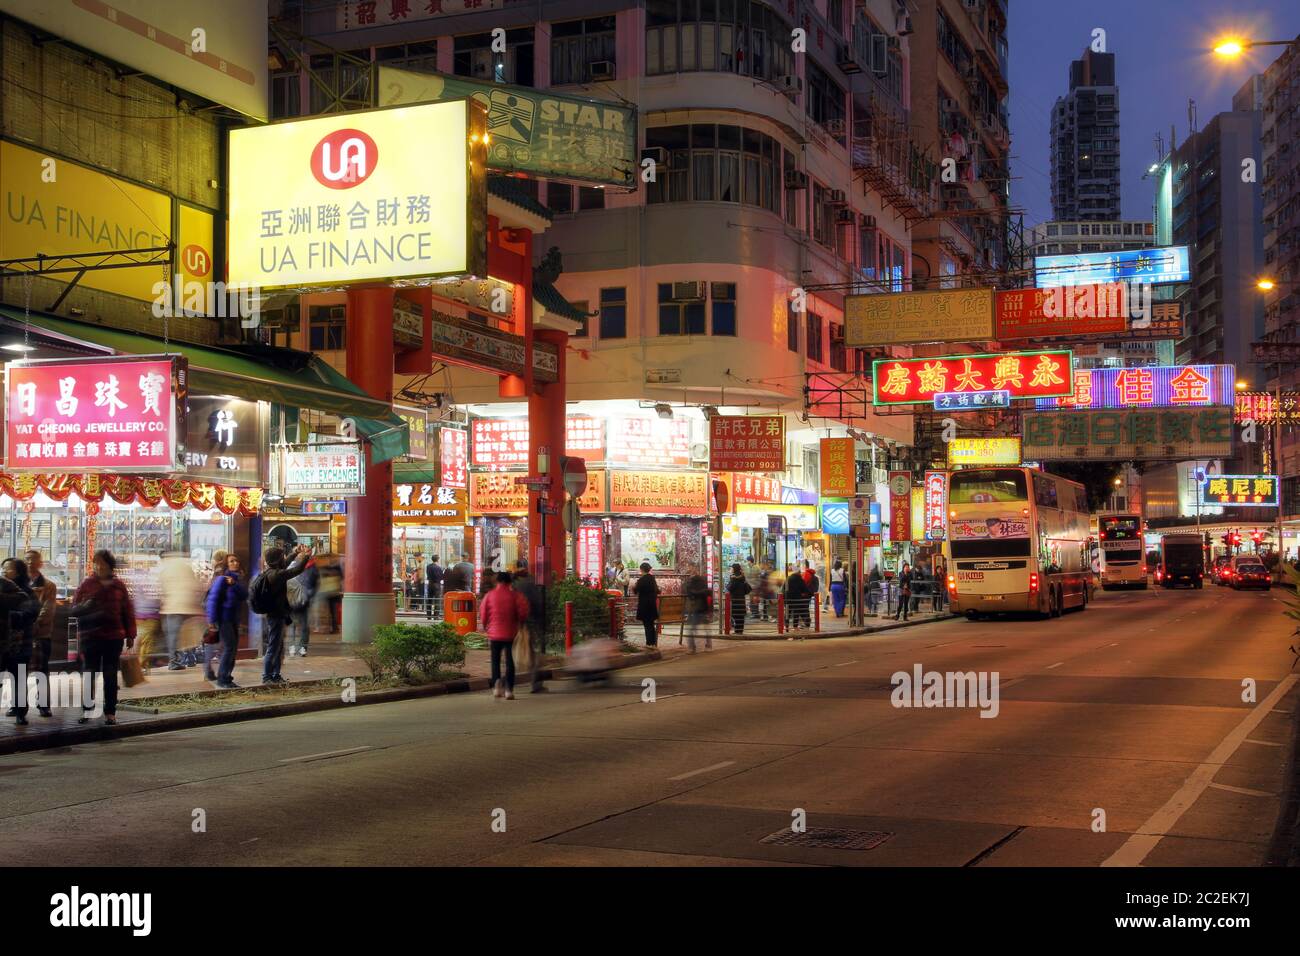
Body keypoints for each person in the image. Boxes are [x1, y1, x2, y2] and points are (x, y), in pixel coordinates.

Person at [72, 550, 136, 726]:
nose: (98, 566)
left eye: (102, 562)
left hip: (113, 637)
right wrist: (87, 605)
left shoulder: (119, 586)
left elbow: (127, 611)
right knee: (89, 674)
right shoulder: (87, 584)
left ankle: (110, 713)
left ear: (110, 565)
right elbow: (75, 607)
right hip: (90, 636)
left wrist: (130, 634)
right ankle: (87, 709)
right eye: (95, 562)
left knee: (110, 675)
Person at [253, 545, 310, 686]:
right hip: (275, 616)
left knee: (278, 647)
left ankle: (275, 675)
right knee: (274, 647)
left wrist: (294, 553)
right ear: (278, 559)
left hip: (277, 614)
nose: (284, 558)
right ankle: (267, 676)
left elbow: (285, 565)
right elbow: (297, 570)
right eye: (282, 556)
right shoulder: (276, 575)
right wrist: (306, 556)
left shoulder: (272, 572)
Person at [1, 558, 39, 724]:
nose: (4, 572)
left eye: (7, 569)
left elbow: (31, 613)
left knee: (19, 678)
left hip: (20, 641)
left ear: (18, 572)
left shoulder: (25, 592)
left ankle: (20, 712)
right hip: (2, 642)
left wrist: (9, 617)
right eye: (2, 568)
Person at [480, 571, 529, 700]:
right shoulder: (515, 595)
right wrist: (520, 622)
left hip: (494, 634)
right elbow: (523, 610)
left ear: (497, 581)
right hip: (510, 633)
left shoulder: (490, 595)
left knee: (495, 661)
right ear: (510, 582)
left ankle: (496, 686)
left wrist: (486, 627)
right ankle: (509, 689)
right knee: (509, 661)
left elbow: (483, 613)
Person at [206, 553, 248, 689]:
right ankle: (223, 678)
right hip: (224, 619)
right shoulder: (221, 580)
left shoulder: (236, 579)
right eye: (231, 561)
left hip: (233, 619)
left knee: (233, 649)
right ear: (226, 564)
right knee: (229, 648)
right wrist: (211, 620)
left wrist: (234, 584)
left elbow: (244, 595)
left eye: (236, 560)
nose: (235, 563)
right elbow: (213, 599)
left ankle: (227, 677)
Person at [25, 550, 56, 717]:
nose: (30, 562)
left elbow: (48, 609)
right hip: (21, 634)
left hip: (41, 634)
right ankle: (18, 706)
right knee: (19, 670)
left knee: (42, 670)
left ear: (40, 563)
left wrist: (34, 623)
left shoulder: (49, 585)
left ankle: (43, 704)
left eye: (33, 560)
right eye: (27, 559)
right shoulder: (18, 584)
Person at [159, 551, 202, 671]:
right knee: (188, 635)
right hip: (187, 607)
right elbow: (195, 586)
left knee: (173, 636)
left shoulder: (166, 570)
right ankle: (190, 659)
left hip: (172, 607)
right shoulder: (186, 568)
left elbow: (163, 588)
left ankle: (175, 661)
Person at [512, 560, 547, 693]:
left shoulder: (512, 583)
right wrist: (540, 623)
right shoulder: (530, 582)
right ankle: (536, 683)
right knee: (531, 653)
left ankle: (505, 682)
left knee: (511, 652)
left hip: (512, 624)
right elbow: (537, 604)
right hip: (528, 623)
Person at [288, 553, 319, 658]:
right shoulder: (292, 566)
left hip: (302, 601)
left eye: (302, 556)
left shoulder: (311, 568)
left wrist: (308, 595)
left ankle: (302, 647)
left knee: (303, 625)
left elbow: (315, 585)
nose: (300, 558)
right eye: (299, 556)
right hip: (293, 601)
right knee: (293, 625)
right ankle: (293, 646)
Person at [683, 566, 711, 652]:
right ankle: (708, 645)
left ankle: (692, 648)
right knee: (706, 628)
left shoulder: (690, 582)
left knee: (690, 629)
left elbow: (688, 592)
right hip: (703, 607)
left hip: (695, 608)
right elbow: (707, 592)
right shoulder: (703, 581)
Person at [633, 563, 660, 648]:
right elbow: (658, 591)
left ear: (642, 570)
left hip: (644, 606)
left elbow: (635, 591)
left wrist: (635, 585)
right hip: (652, 606)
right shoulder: (652, 578)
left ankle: (649, 643)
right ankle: (653, 643)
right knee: (651, 624)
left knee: (647, 625)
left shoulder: (641, 580)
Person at [727, 563, 752, 636]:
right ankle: (739, 631)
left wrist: (728, 584)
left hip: (735, 599)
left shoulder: (733, 578)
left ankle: (737, 631)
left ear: (734, 569)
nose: (730, 569)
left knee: (735, 615)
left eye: (731, 568)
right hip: (741, 599)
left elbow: (730, 588)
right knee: (740, 615)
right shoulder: (742, 577)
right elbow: (746, 590)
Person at [785, 566, 810, 634]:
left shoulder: (788, 578)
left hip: (788, 599)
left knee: (788, 613)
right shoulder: (800, 579)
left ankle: (786, 626)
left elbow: (784, 588)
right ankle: (795, 626)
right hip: (797, 599)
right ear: (798, 573)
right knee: (796, 613)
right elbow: (805, 589)